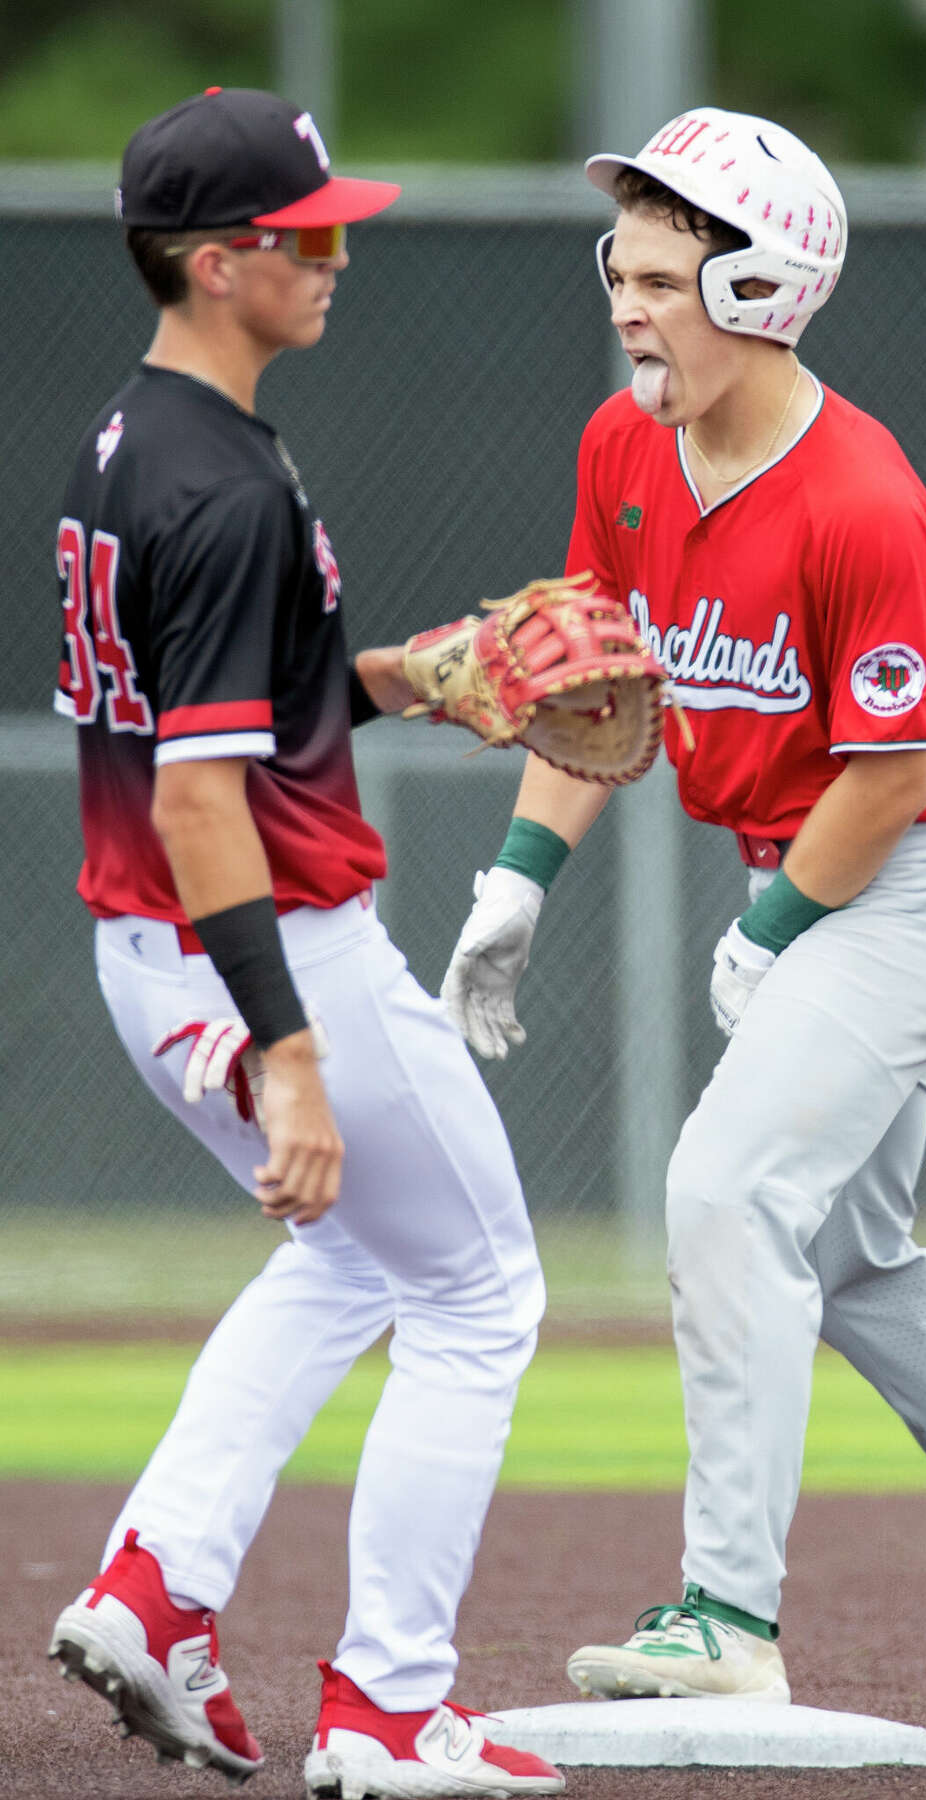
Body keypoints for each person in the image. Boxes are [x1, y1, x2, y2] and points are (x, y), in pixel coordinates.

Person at [439, 106, 926, 1750]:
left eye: (659, 277)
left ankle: (726, 1613)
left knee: (723, 1190)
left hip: (901, 884)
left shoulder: (861, 497)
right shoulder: (620, 447)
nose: (625, 304)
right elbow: (596, 692)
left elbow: (894, 770)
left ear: (768, 287)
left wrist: (774, 928)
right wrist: (518, 876)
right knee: (853, 1261)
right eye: (617, 270)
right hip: (809, 878)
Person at [46, 86, 564, 1800]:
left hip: (148, 959)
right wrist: (292, 1055)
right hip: (268, 945)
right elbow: (206, 805)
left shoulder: (134, 443)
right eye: (306, 233)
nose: (340, 255)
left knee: (351, 1262)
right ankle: (392, 1710)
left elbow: (234, 723)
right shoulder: (229, 484)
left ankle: (153, 1587)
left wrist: (404, 677)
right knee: (481, 1295)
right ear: (214, 264)